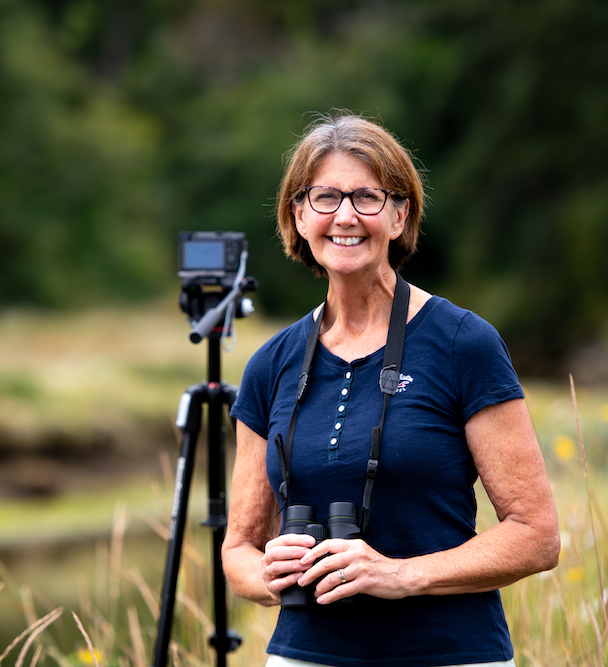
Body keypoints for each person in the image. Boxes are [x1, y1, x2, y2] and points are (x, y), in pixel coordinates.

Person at [221, 113, 560, 667]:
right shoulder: (271, 364)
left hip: (449, 653)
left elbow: (536, 535)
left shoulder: (462, 343)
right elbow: (238, 548)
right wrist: (267, 573)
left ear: (400, 214)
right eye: (325, 197)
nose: (346, 216)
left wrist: (401, 574)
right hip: (306, 654)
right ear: (299, 216)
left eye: (366, 197)